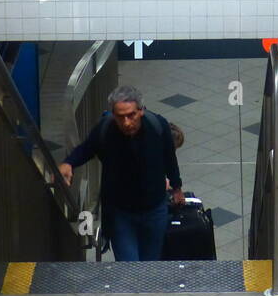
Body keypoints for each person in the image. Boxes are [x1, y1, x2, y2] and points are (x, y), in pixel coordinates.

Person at [59, 86, 184, 262]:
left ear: (141, 111)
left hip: (154, 210)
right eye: (120, 117)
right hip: (120, 214)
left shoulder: (157, 126)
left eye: (131, 115)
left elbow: (170, 159)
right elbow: (87, 148)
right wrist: (69, 163)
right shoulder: (106, 129)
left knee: (150, 264)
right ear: (113, 114)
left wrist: (177, 188)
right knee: (129, 269)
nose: (126, 122)